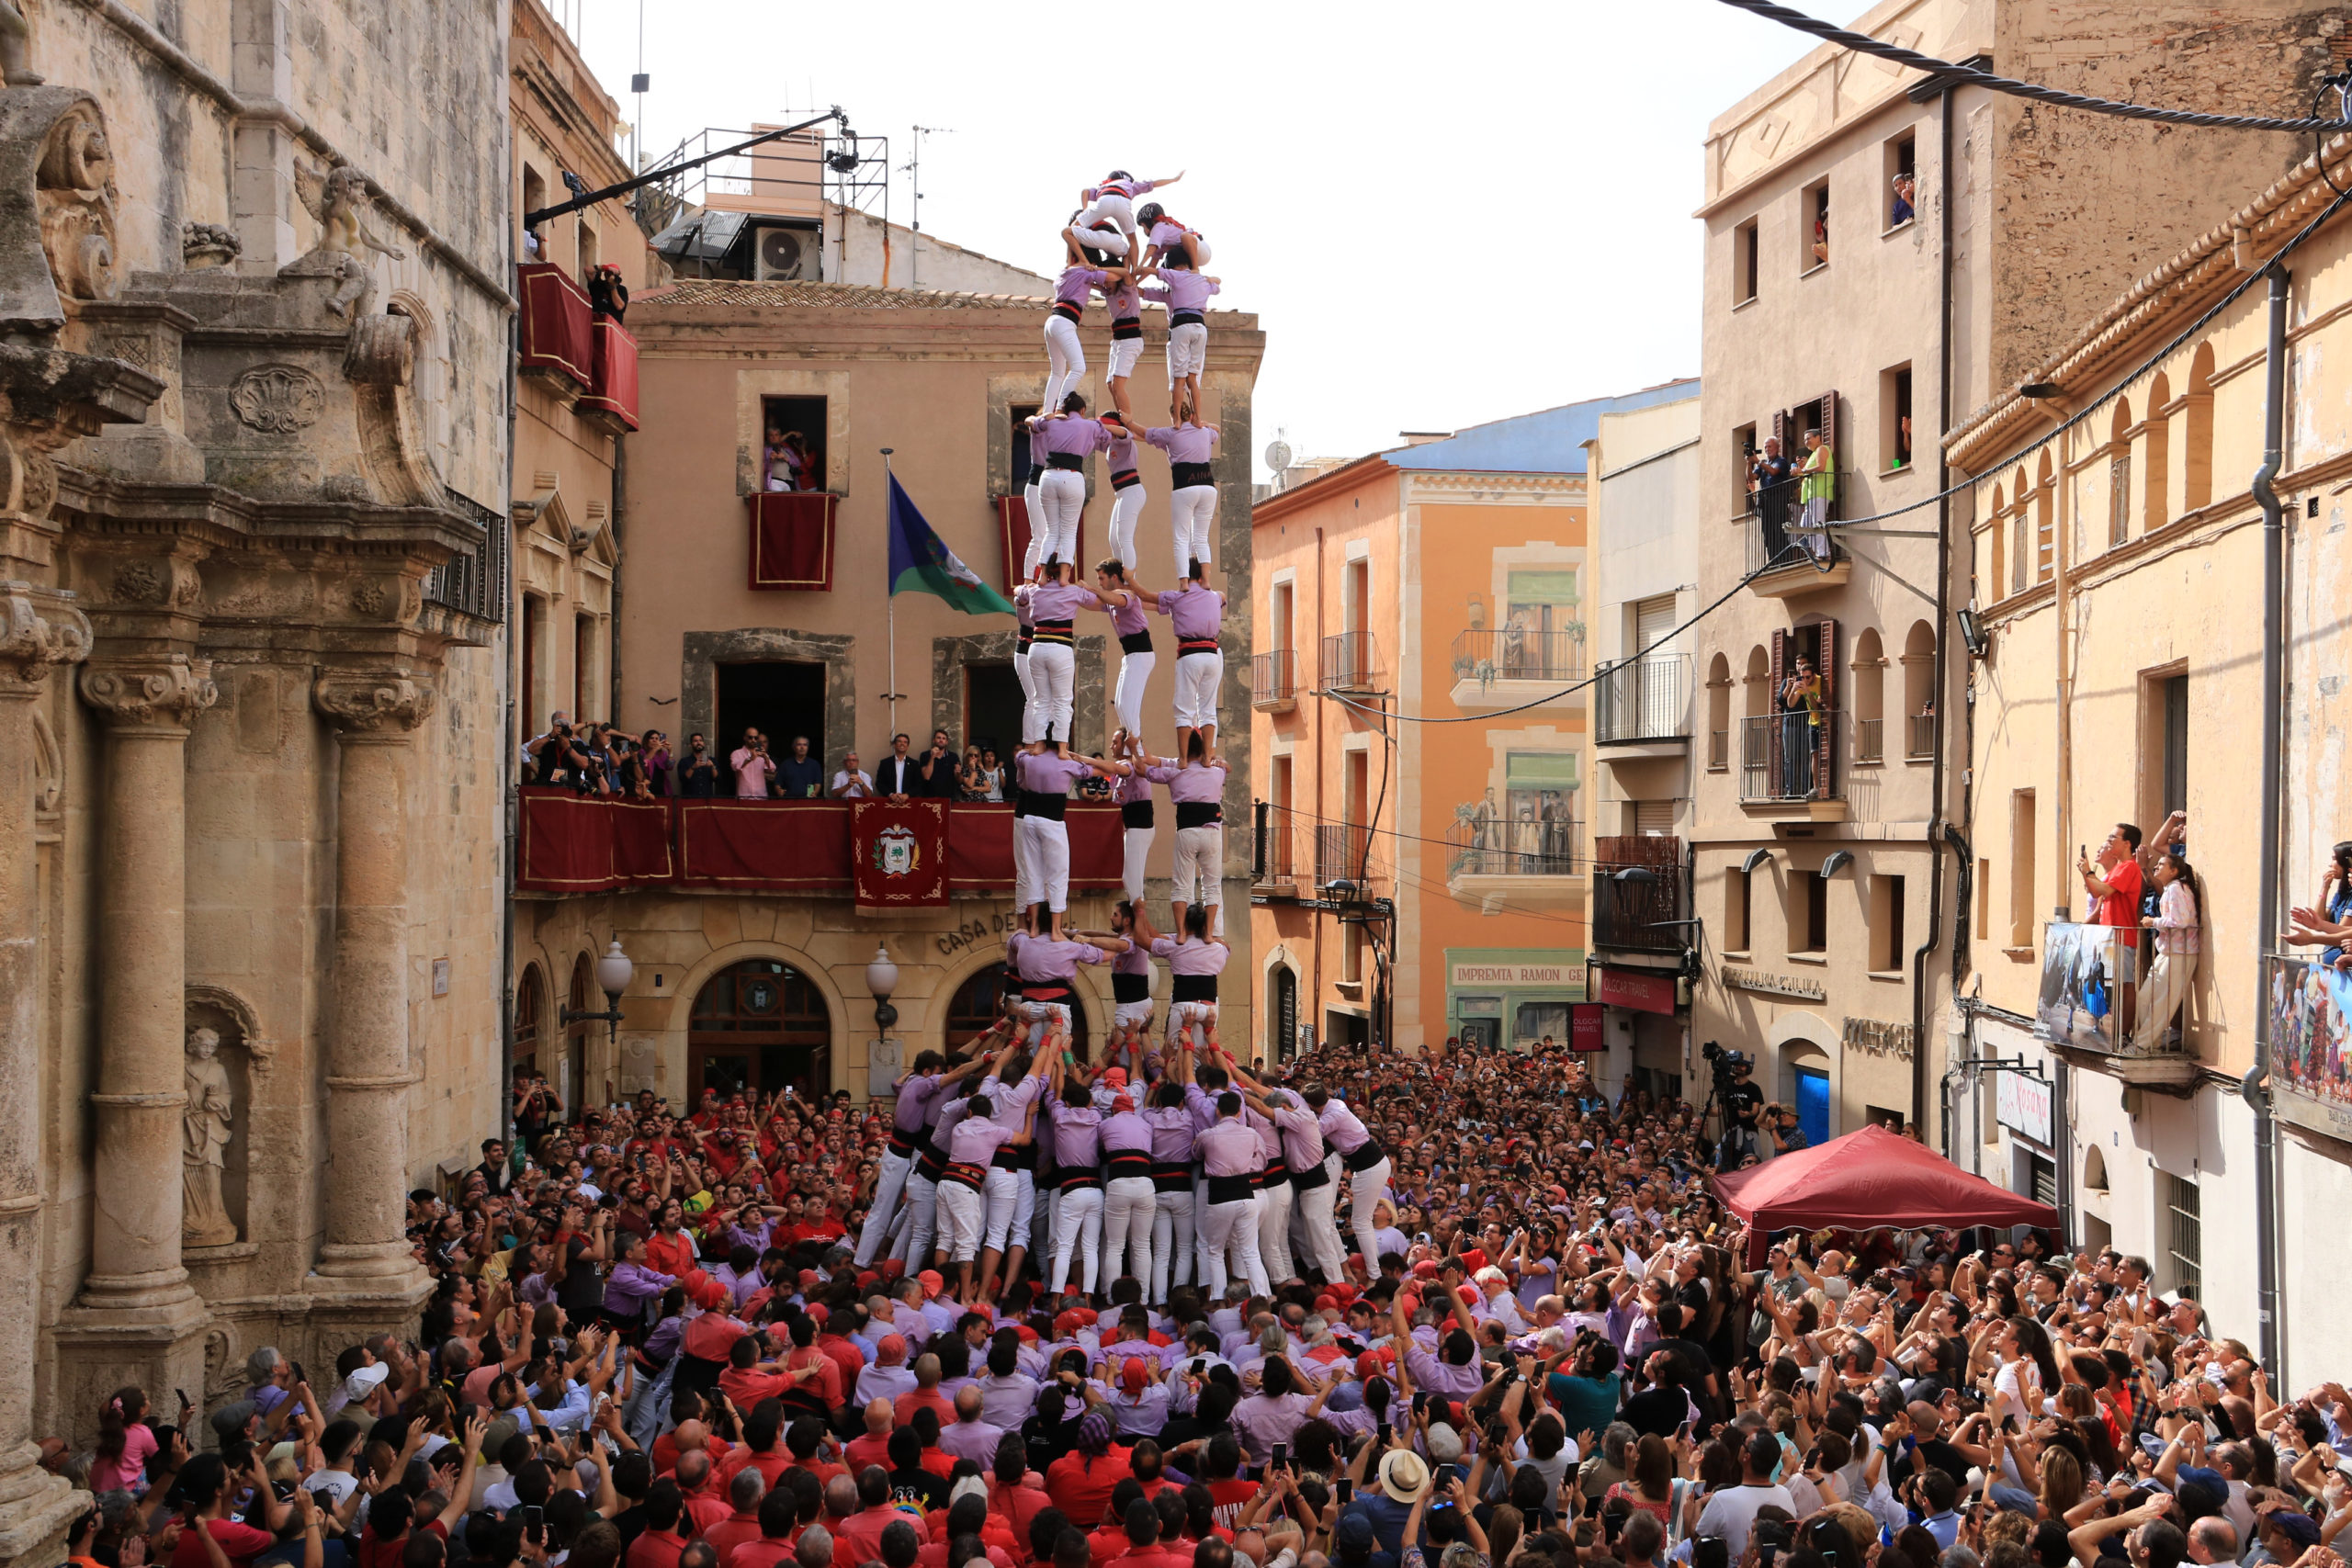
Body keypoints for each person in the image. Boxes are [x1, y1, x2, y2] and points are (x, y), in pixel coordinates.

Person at [1142, 409, 1219, 582]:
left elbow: (1144, 433)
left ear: (1173, 416)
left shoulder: (1171, 433)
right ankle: (1206, 580)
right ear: (1191, 416)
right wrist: (1205, 424)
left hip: (1185, 487)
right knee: (1201, 538)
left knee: (1181, 539)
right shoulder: (1204, 432)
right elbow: (1217, 429)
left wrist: (1128, 424)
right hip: (1207, 487)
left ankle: (1184, 582)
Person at [2136, 853, 2199, 1052]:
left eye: (2161, 864)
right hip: (2170, 951)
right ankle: (2151, 1043)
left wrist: (2152, 921)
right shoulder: (2171, 889)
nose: (2156, 866)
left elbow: (2180, 921)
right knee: (2144, 998)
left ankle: (2142, 1044)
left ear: (2173, 871)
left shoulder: (2175, 889)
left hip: (2180, 952)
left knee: (2161, 1003)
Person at [1778, 653, 1822, 800]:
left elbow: (1816, 705)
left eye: (1803, 663)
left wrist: (1807, 691)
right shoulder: (1791, 682)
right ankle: (1791, 790)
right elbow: (1785, 702)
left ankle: (1804, 788)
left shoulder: (1817, 682)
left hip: (1807, 723)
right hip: (1791, 723)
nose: (1805, 680)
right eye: (1798, 663)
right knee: (1790, 758)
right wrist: (1791, 687)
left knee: (1805, 757)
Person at [1795, 427, 1836, 563]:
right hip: (1811, 495)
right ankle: (1819, 551)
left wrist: (1802, 470)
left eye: (1809, 438)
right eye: (1805, 440)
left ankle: (1823, 553)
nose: (1806, 442)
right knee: (1805, 525)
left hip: (1820, 492)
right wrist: (1802, 470)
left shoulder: (1822, 449)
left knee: (1818, 524)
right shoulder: (1813, 454)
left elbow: (1821, 467)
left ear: (1818, 438)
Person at [776, 736, 824, 800]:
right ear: (794, 747)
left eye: (805, 745)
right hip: (789, 800)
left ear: (808, 747)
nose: (802, 747)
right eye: (799, 744)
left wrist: (815, 792)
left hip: (808, 800)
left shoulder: (814, 764)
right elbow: (778, 782)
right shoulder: (786, 764)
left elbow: (818, 783)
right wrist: (779, 791)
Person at [732, 730, 776, 800]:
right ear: (745, 738)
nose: (753, 740)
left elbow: (772, 769)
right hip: (743, 798)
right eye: (750, 737)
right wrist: (749, 759)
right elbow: (735, 767)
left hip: (761, 797)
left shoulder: (762, 754)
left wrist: (765, 757)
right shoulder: (737, 753)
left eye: (756, 738)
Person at [876, 735, 922, 800]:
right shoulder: (885, 763)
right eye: (899, 741)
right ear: (894, 745)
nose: (902, 744)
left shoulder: (914, 764)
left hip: (908, 801)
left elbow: (919, 784)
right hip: (889, 801)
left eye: (905, 742)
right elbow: (879, 783)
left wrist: (907, 795)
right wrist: (890, 794)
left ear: (908, 746)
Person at [679, 734, 718, 798]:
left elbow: (717, 779)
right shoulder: (684, 761)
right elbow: (683, 780)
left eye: (700, 740)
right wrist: (693, 767)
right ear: (691, 744)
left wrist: (712, 767)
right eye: (695, 741)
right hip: (690, 799)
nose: (699, 743)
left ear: (704, 744)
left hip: (707, 799)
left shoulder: (712, 760)